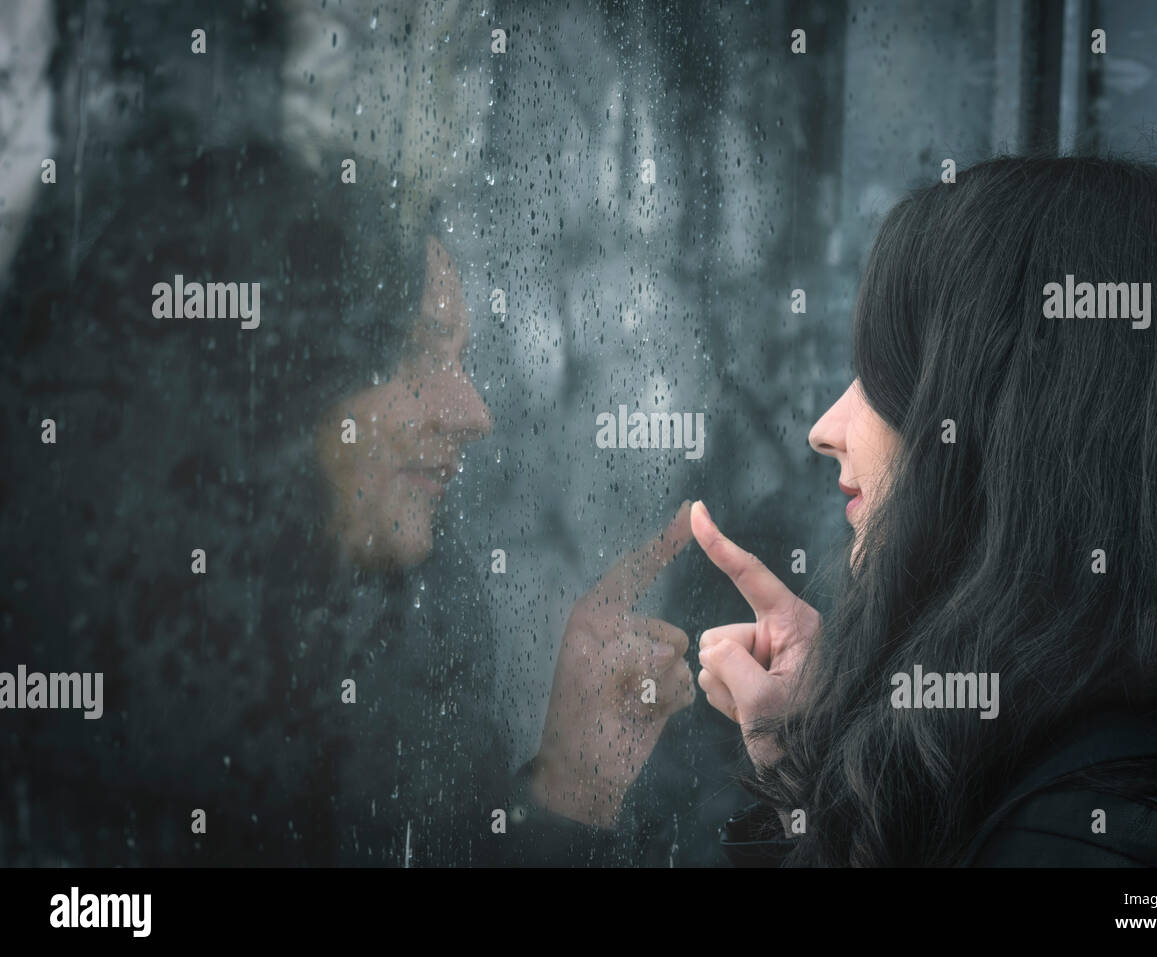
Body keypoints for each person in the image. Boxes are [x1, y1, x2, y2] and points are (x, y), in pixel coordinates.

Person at [0, 139, 695, 866]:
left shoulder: (416, 632)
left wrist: (574, 784)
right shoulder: (91, 694)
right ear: (279, 387)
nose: (473, 411)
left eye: (460, 360)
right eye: (417, 354)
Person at [691, 155, 1157, 866]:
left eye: (890, 373)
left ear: (1023, 425)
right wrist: (803, 754)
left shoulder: (1073, 836)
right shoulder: (1150, 769)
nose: (825, 427)